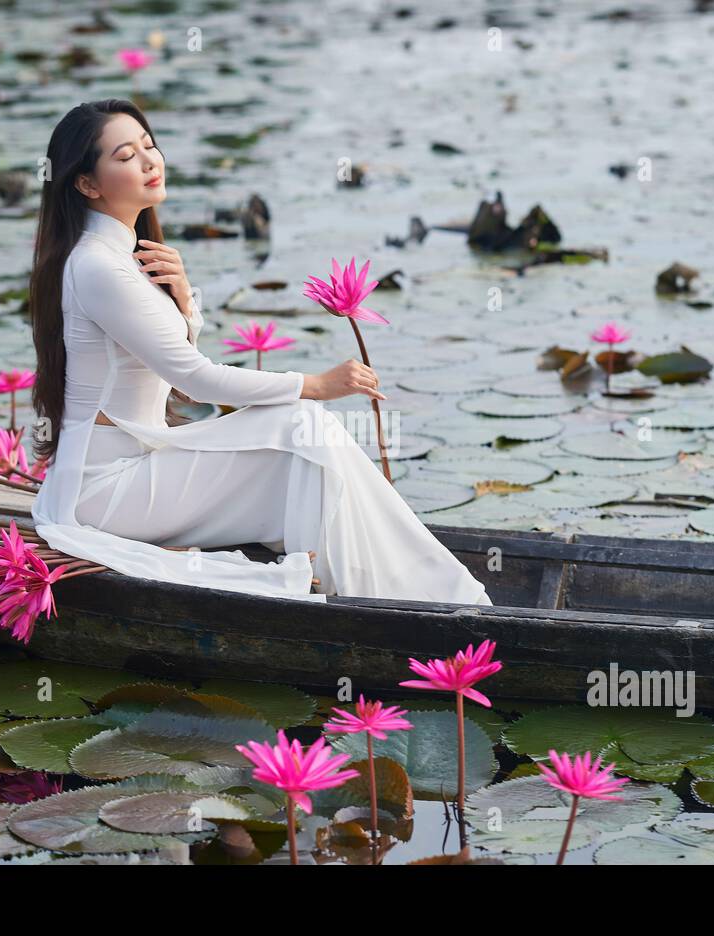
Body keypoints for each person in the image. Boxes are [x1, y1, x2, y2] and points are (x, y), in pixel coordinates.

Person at [28, 99, 492, 607]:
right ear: (87, 183)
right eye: (125, 155)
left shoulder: (125, 255)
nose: (149, 160)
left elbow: (173, 373)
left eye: (149, 145)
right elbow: (196, 379)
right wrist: (314, 384)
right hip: (104, 492)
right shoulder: (99, 266)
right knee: (302, 424)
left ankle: (382, 590)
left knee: (305, 436)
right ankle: (396, 596)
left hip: (143, 462)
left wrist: (184, 299)